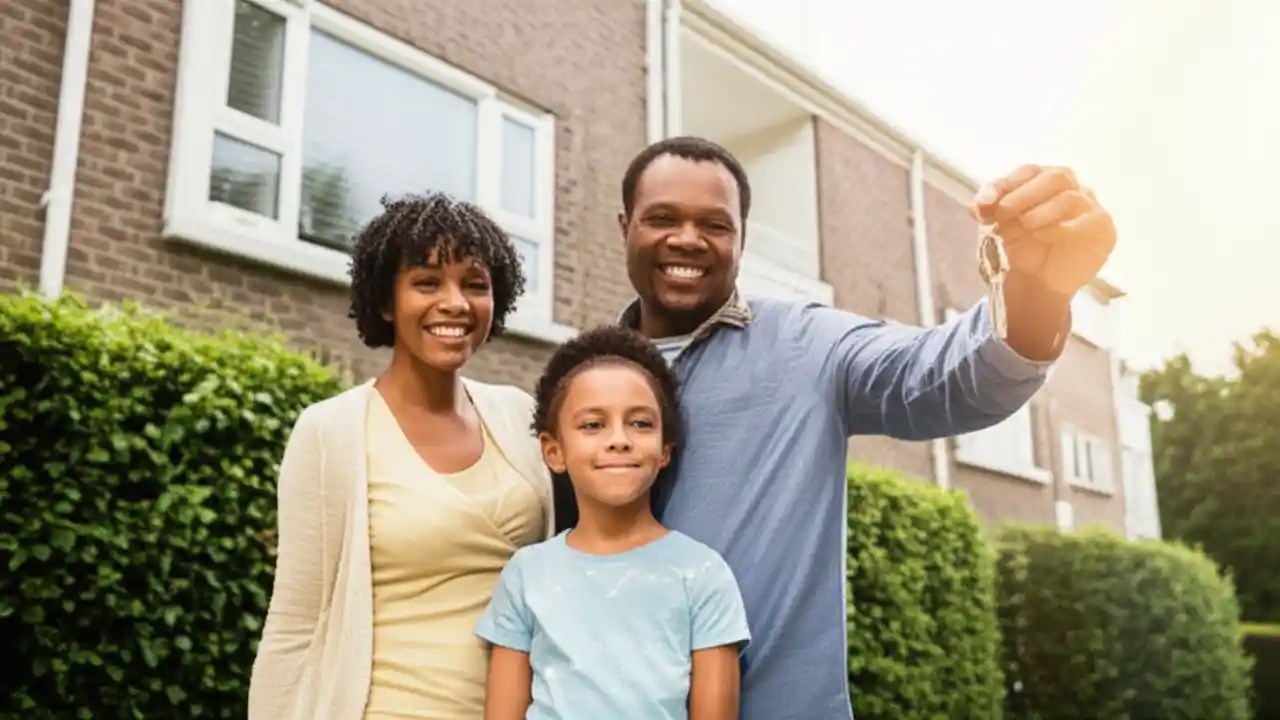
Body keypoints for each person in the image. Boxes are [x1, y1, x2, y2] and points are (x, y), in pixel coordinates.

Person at [615, 136, 1118, 719]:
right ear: (625, 225)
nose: (687, 239)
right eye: (661, 219)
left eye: (715, 224)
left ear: (742, 239)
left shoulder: (807, 346)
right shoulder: (585, 379)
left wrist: (1036, 290)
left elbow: (949, 376)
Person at [247, 193, 554, 720]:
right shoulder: (331, 431)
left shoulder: (518, 415)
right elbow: (296, 620)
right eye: (427, 282)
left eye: (474, 284)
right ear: (387, 301)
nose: (455, 302)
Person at [476, 326, 751, 720]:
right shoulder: (526, 574)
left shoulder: (703, 575)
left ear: (665, 450)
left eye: (640, 423)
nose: (619, 439)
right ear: (554, 451)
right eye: (593, 425)